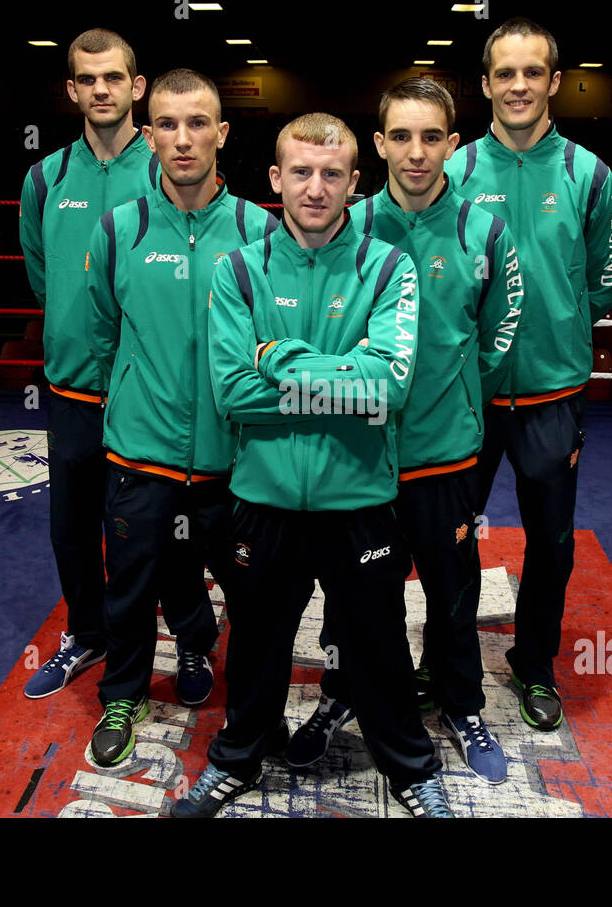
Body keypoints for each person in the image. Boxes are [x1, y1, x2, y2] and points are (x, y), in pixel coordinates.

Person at [172, 113, 452, 818]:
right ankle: (238, 758)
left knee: (380, 648)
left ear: (355, 183)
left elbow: (385, 389)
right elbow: (234, 393)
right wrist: (339, 380)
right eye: (301, 172)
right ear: (275, 179)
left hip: (357, 501)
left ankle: (412, 771)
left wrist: (280, 359)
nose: (316, 187)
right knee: (257, 645)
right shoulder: (239, 270)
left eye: (332, 174)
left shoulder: (390, 266)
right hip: (263, 499)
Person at [285, 78, 524, 786]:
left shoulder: (484, 229)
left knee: (454, 587)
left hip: (445, 454)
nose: (416, 153)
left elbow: (499, 329)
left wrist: (452, 398)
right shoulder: (351, 226)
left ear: (454, 144)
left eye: (432, 137)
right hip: (362, 453)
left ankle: (460, 702)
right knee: (354, 594)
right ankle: (342, 695)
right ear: (381, 142)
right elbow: (323, 329)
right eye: (401, 137)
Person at [84, 69, 276, 766]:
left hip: (235, 459)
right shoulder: (120, 228)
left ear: (222, 133)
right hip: (142, 452)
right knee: (131, 585)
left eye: (198, 123)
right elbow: (105, 334)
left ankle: (223, 675)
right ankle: (123, 696)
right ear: (148, 135)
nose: (183, 138)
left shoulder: (261, 229)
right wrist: (139, 401)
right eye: (167, 124)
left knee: (251, 590)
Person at [443, 18, 612, 730]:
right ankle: (447, 661)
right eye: (504, 73)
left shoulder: (591, 176)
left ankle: (535, 661)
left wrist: (558, 328)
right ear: (486, 83)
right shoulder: (454, 171)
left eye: (532, 72)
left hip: (553, 395)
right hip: (467, 395)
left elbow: (604, 283)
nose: (518, 85)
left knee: (552, 542)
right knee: (448, 536)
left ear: (553, 81)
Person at [18, 28, 159, 699]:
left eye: (114, 78)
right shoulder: (44, 178)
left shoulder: (167, 170)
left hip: (148, 390)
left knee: (152, 527)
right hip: (73, 388)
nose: (101, 89)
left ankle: (173, 638)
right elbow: (45, 281)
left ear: (137, 87)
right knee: (71, 526)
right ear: (72, 90)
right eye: (87, 79)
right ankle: (86, 632)